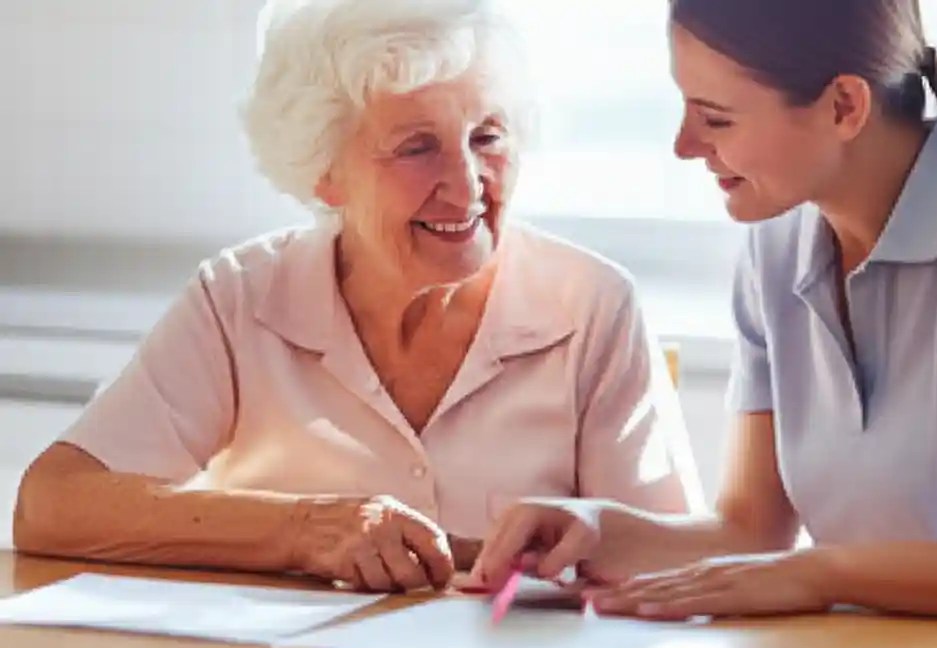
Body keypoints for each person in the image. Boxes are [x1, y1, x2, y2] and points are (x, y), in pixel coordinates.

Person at [475, 0, 937, 626]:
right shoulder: (776, 244)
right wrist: (597, 529)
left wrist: (827, 573)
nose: (684, 145)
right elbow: (753, 531)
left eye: (715, 116)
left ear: (845, 106)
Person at [12, 0, 700, 593]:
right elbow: (53, 506)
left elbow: (680, 558)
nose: (467, 185)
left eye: (488, 136)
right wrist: (305, 530)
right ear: (325, 174)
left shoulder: (591, 304)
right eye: (416, 147)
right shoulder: (241, 297)